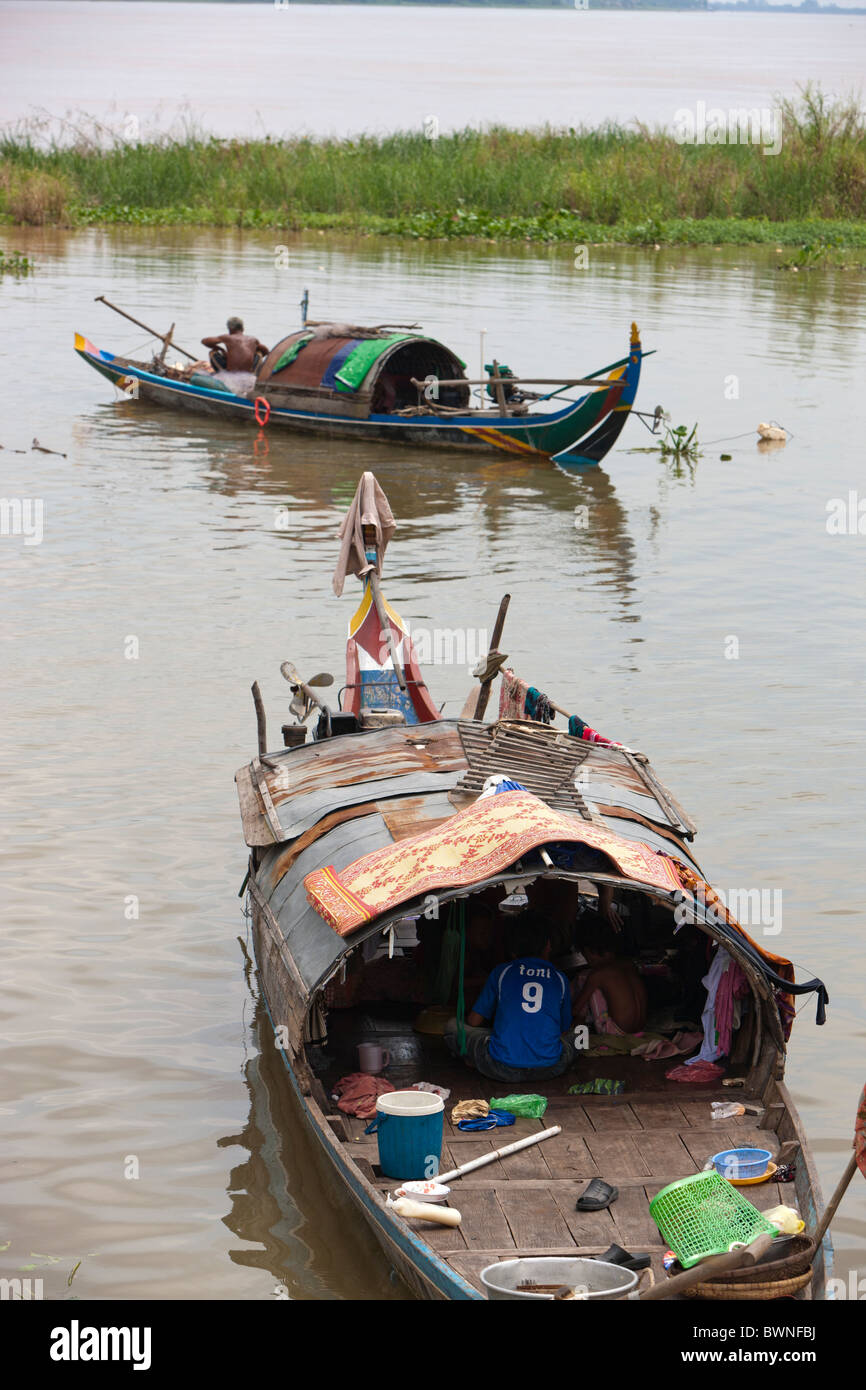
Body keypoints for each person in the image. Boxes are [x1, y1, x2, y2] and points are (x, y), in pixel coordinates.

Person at [443, 912, 576, 1083]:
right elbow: (564, 1029)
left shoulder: (502, 972)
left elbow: (474, 1021)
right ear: (548, 945)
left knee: (452, 1026)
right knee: (579, 1034)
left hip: (501, 1068)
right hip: (550, 1068)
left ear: (512, 949)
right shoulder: (560, 978)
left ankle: (472, 1060)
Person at [571, 923, 647, 1035]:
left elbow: (575, 1010)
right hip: (640, 1029)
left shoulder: (598, 974)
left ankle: (578, 1039)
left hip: (617, 1032)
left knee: (583, 978)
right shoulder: (629, 964)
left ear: (588, 951)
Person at [201, 318, 270, 373]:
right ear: (243, 329)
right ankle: (254, 373)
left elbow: (204, 341)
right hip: (248, 373)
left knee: (213, 352)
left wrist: (220, 349)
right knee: (259, 353)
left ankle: (220, 374)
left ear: (229, 329)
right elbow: (266, 351)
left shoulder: (227, 337)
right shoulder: (253, 339)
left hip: (230, 374)